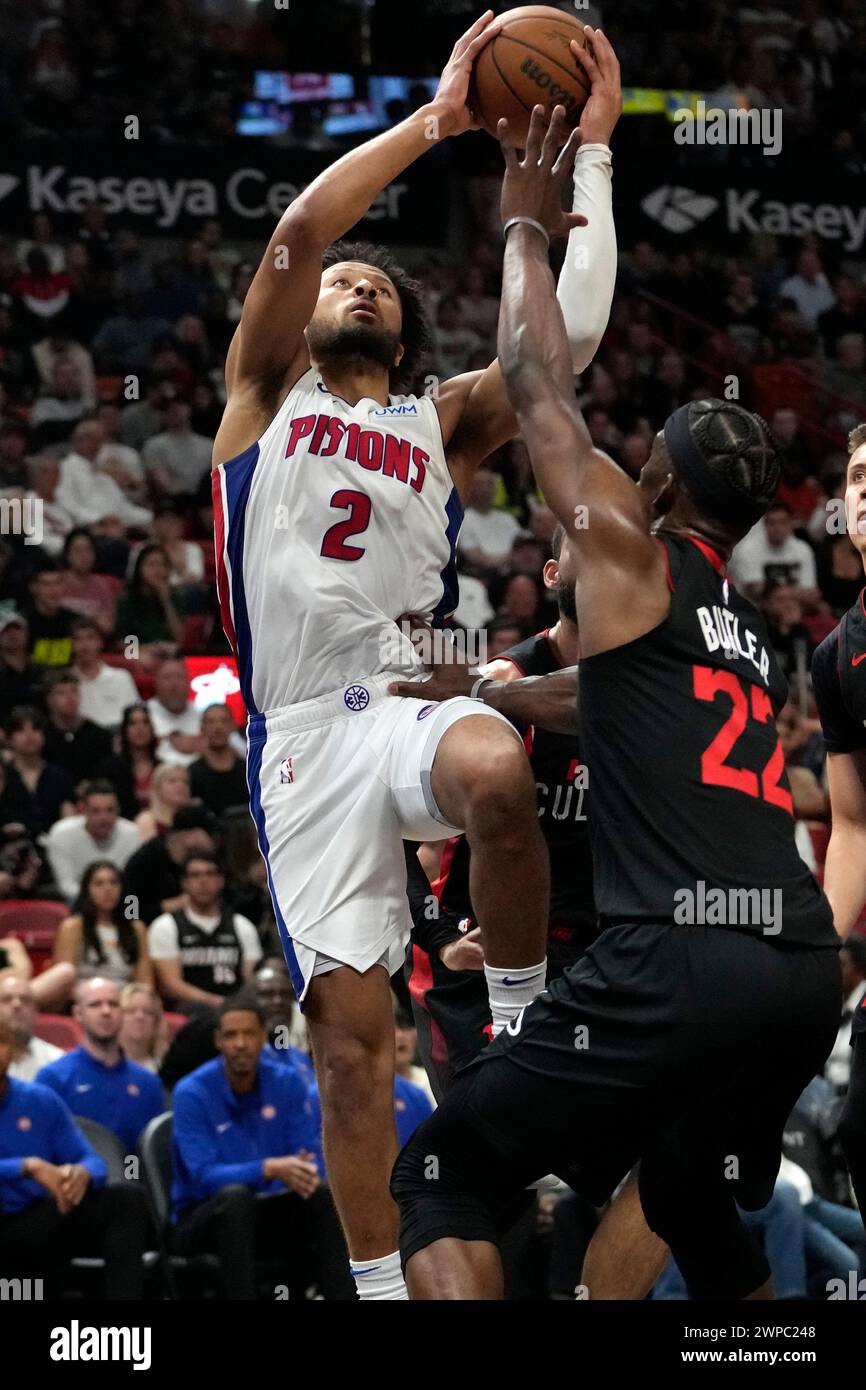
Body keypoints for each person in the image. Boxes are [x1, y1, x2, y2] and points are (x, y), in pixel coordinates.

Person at [391, 91, 841, 1301]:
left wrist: (525, 230)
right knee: (689, 1192)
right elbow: (606, 707)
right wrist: (503, 681)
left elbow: (536, 386)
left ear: (652, 481)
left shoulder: (631, 559)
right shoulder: (740, 631)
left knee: (437, 1168)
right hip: (801, 964)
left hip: (679, 960)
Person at [211, 10, 618, 1298]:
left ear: (400, 333)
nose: (351, 282)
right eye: (344, 279)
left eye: (377, 286)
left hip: (398, 695)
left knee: (500, 767)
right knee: (348, 1046)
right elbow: (296, 237)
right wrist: (434, 123)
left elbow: (573, 346)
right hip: (300, 737)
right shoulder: (262, 398)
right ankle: (381, 1288)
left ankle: (512, 1016)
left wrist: (590, 162)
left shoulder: (436, 418)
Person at [170, 994, 353, 1299]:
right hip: (202, 1219)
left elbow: (309, 1155)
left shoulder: (287, 1082)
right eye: (231, 1035)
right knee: (235, 1198)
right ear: (218, 1041)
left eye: (248, 1034)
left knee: (323, 1195)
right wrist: (268, 1169)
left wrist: (304, 1171)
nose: (240, 1043)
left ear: (262, 1037)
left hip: (266, 1214)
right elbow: (203, 1177)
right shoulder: (191, 1092)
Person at [810, 422, 866, 1223]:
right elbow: (854, 824)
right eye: (859, 475)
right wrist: (816, 957)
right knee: (857, 1130)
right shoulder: (837, 655)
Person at [0, 1017, 150, 1299]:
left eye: (1, 1041)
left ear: (12, 1050)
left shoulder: (39, 1100)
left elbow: (93, 1160)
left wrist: (80, 1174)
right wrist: (26, 1167)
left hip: (36, 1221)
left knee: (127, 1196)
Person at [36, 976, 164, 1153]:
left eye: (113, 1004)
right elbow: (44, 1145)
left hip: (129, 1174)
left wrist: (129, 1178)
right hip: (76, 1176)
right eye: (95, 1005)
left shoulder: (147, 1083)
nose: (106, 1011)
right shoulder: (54, 1078)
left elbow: (146, 1153)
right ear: (78, 1014)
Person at [148, 848, 262, 1011]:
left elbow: (251, 981)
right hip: (186, 1013)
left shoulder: (242, 926)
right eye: (195, 875)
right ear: (184, 883)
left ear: (221, 880)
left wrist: (234, 1006)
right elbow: (171, 986)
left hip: (235, 1010)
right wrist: (219, 1003)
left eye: (210, 874)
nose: (203, 881)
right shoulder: (165, 926)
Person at [53, 860, 152, 991]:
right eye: (98, 884)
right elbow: (63, 982)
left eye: (114, 883)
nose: (108, 889)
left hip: (125, 1002)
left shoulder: (137, 928)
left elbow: (145, 984)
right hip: (85, 998)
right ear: (87, 890)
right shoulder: (72, 927)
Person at [45, 779, 141, 903]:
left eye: (110, 810)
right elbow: (66, 886)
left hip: (122, 905)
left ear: (118, 810)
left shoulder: (132, 833)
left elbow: (133, 888)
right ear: (83, 810)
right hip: (79, 907)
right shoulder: (61, 834)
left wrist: (132, 920)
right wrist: (101, 900)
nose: (104, 818)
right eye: (96, 811)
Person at [123, 802, 217, 926]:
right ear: (192, 836)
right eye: (211, 835)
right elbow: (129, 912)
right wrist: (164, 907)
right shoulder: (144, 861)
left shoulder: (211, 859)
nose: (215, 842)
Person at [4, 705, 75, 839]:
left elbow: (69, 822)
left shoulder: (60, 776)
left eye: (35, 729)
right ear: (9, 738)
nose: (29, 736)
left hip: (54, 844)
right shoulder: (3, 776)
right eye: (20, 730)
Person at [42, 668, 113, 784]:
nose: (70, 698)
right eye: (61, 693)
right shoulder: (42, 736)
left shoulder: (99, 736)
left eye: (74, 691)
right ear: (49, 700)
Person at [71, 617, 140, 731]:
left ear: (100, 642)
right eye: (78, 639)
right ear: (71, 645)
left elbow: (135, 718)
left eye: (90, 638)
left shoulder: (122, 677)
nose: (85, 645)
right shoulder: (66, 682)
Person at [96, 703, 159, 820]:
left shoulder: (162, 767)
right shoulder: (109, 769)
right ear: (124, 730)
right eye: (133, 723)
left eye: (145, 722)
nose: (140, 728)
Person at [116, 544, 184, 649]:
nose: (158, 570)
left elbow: (180, 639)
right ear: (139, 568)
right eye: (151, 565)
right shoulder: (126, 600)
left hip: (168, 655)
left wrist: (166, 601)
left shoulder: (174, 597)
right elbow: (122, 643)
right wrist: (149, 648)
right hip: (137, 655)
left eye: (162, 565)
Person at [0, 976, 66, 1081]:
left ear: (36, 1011)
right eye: (6, 999)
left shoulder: (57, 1060)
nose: (17, 1004)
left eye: (25, 1000)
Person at [188, 703, 248, 816]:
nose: (218, 727)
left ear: (233, 726)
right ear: (202, 728)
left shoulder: (247, 770)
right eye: (211, 722)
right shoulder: (192, 773)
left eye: (224, 721)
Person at [59, 527, 117, 634]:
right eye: (77, 550)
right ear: (67, 554)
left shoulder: (102, 586)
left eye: (88, 550)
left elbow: (109, 627)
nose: (83, 556)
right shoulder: (56, 583)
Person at [145, 656, 202, 765]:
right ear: (156, 682)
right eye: (167, 677)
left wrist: (204, 747)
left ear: (189, 682)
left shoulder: (204, 715)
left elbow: (241, 749)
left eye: (179, 677)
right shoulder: (142, 715)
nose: (174, 683)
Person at [22, 560, 77, 668]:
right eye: (46, 584)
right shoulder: (22, 623)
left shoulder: (75, 621)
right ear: (34, 588)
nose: (53, 590)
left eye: (57, 583)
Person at [118, 981, 168, 1073]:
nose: (140, 1017)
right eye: (131, 1011)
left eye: (148, 1012)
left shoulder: (166, 1068)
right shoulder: (103, 1065)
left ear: (156, 1022)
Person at [134, 762, 191, 841]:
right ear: (158, 788)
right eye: (172, 781)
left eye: (185, 782)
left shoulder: (194, 820)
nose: (181, 786)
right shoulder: (147, 820)